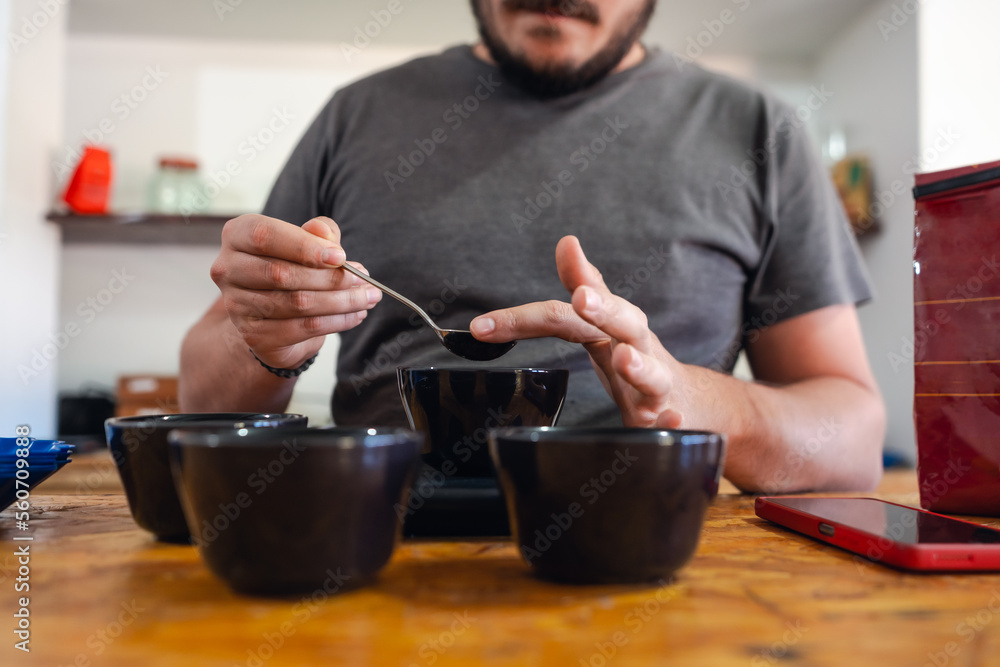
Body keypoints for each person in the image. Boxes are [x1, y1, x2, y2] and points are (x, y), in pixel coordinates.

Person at [179, 0, 886, 493]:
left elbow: (853, 440)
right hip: (370, 546)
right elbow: (202, 399)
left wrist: (694, 404)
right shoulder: (355, 116)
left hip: (651, 553)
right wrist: (266, 338)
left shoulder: (759, 130)